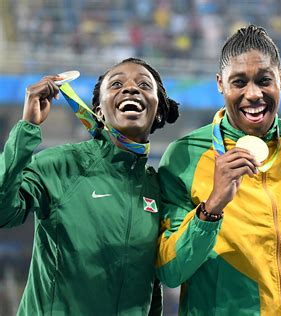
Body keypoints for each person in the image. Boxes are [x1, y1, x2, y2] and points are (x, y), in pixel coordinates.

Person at [156, 25, 281, 315]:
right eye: (239, 82)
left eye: (264, 80)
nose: (253, 94)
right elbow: (170, 271)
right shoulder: (185, 156)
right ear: (220, 84)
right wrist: (211, 208)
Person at [0, 57, 179, 315]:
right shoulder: (60, 165)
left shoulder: (158, 189)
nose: (130, 88)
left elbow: (153, 289)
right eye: (116, 84)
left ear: (159, 110)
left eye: (144, 84)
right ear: (99, 111)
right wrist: (27, 128)